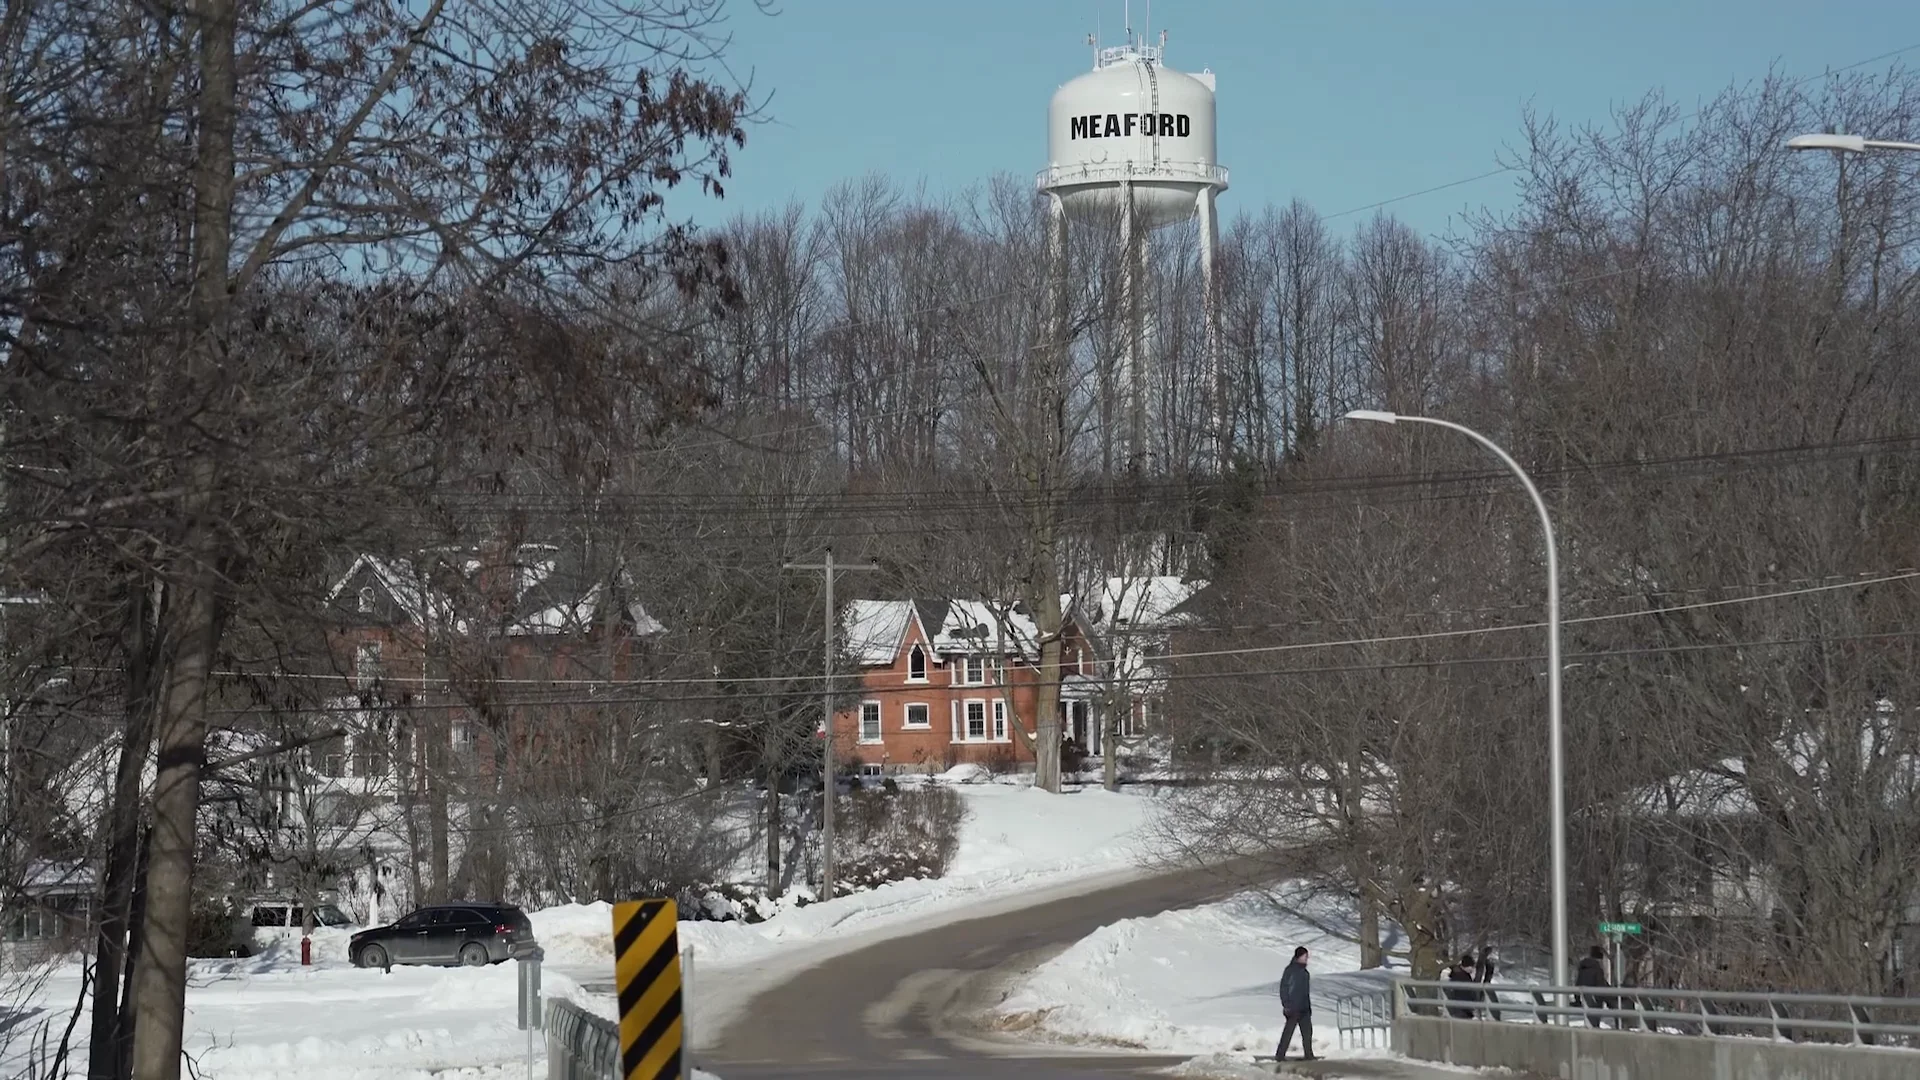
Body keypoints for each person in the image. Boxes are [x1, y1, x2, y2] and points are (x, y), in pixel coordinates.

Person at [1275, 946, 1317, 1061]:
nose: (1307, 958)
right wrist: (1286, 1004)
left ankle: (1309, 1055)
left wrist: (1308, 1007)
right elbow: (1284, 987)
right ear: (1299, 956)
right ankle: (1280, 1055)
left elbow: (1305, 992)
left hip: (1304, 1008)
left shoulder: (1305, 973)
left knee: (1307, 1032)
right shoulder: (1290, 970)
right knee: (1288, 1033)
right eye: (1305, 956)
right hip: (1293, 1008)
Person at [1575, 944, 1612, 1028]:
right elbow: (1600, 985)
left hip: (1585, 996)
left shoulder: (1582, 968)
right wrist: (1606, 999)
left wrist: (1577, 998)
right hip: (1596, 998)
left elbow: (1578, 982)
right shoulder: (1597, 969)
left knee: (1588, 1018)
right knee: (1595, 1019)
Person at [1444, 954, 1480, 1019]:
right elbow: (1464, 993)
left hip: (1461, 1007)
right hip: (1462, 1008)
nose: (1472, 969)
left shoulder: (1460, 974)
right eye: (1471, 967)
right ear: (1466, 966)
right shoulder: (1461, 976)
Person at [1475, 946, 1502, 1021]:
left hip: (1483, 981)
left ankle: (1480, 1014)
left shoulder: (1484, 962)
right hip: (1482, 982)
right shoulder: (1482, 963)